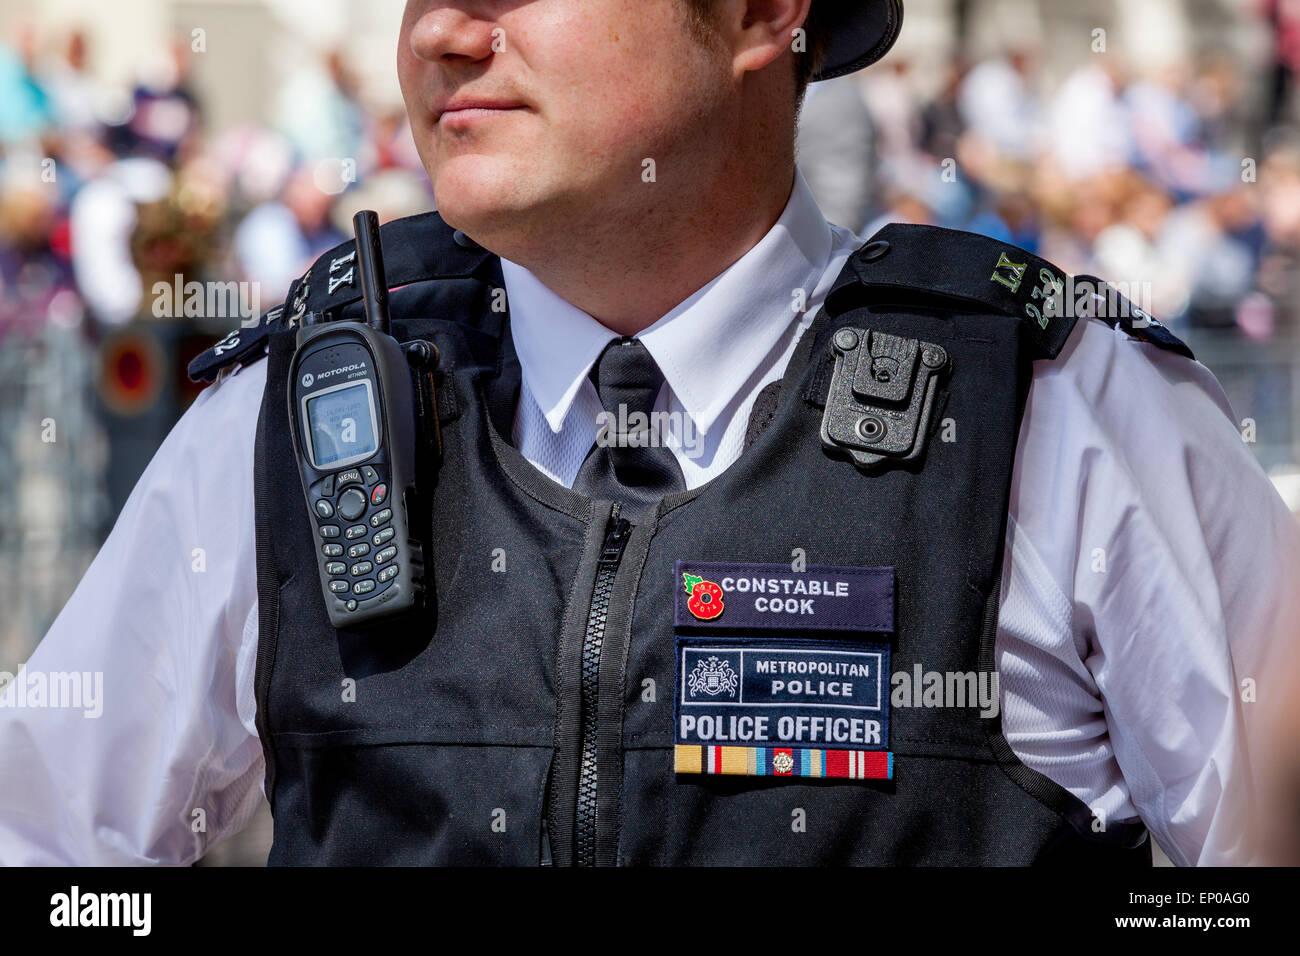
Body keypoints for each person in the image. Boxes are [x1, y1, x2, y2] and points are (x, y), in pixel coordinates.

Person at [1, 0, 1297, 866]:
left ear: (760, 12)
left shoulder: (1066, 413)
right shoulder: (294, 421)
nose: (444, 32)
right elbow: (50, 843)